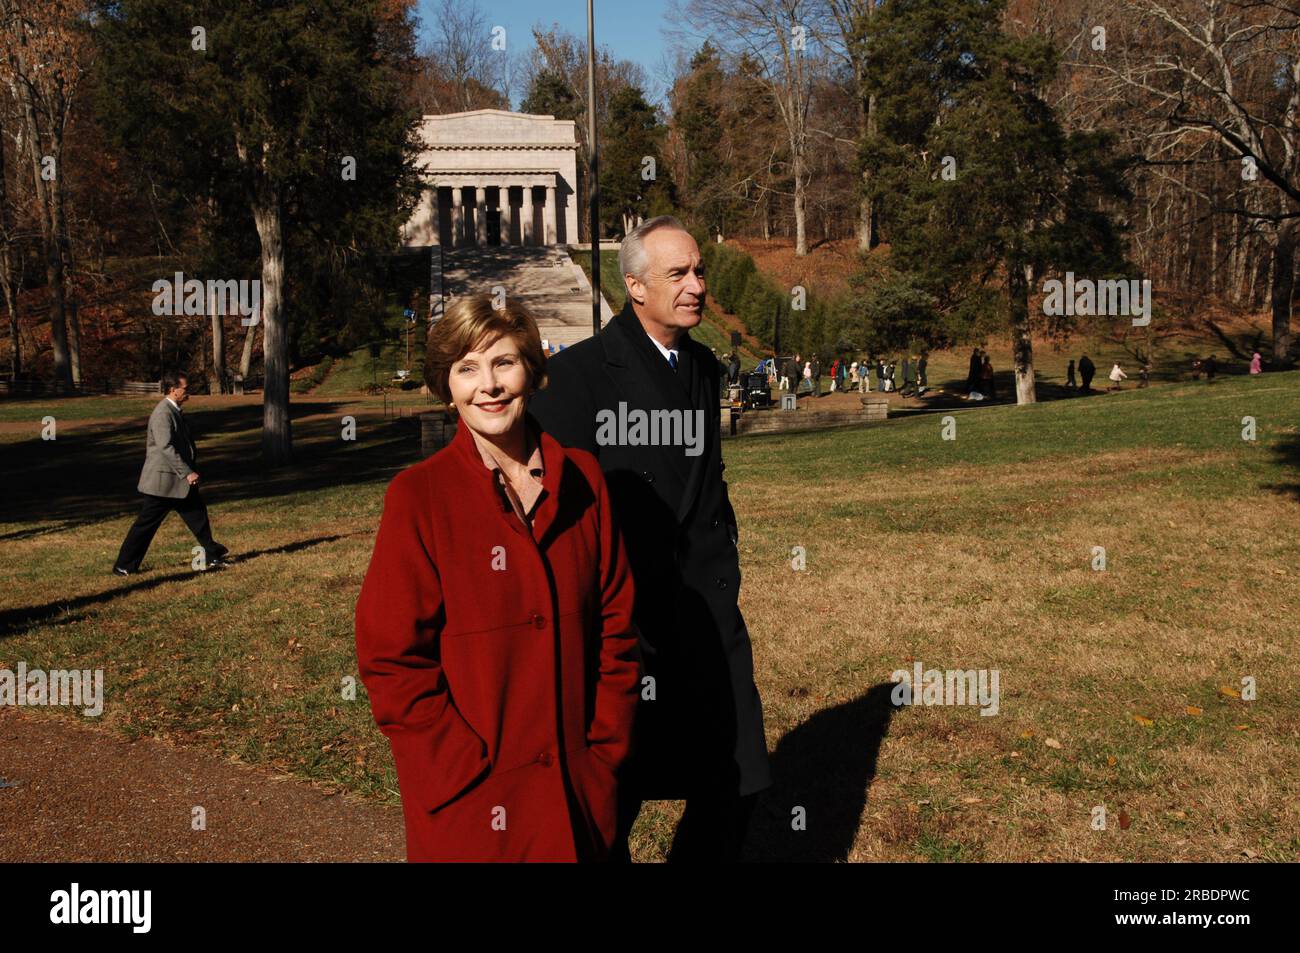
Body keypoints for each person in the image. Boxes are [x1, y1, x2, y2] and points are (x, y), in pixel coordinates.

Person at [355, 294, 641, 862]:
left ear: (531, 372)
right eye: (467, 368)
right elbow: (392, 659)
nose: (488, 385)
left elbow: (618, 627)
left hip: (578, 794)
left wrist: (603, 751)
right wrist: (461, 766)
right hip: (475, 806)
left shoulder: (582, 476)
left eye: (503, 363)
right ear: (448, 386)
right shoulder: (418, 497)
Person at [529, 216, 772, 862]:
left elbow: (706, 485)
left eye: (699, 271)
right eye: (679, 274)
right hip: (630, 626)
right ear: (634, 286)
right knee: (616, 789)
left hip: (709, 615)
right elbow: (558, 512)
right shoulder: (577, 377)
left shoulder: (702, 366)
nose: (697, 285)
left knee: (739, 774)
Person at [113, 370, 230, 575]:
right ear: (172, 390)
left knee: (198, 517)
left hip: (177, 482)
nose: (188, 392)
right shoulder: (162, 413)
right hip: (164, 483)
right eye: (185, 388)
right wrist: (187, 472)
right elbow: (165, 447)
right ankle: (124, 565)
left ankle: (212, 555)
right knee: (146, 526)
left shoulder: (174, 410)